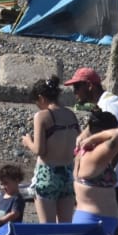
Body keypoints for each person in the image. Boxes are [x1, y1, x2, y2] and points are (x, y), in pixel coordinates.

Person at [63, 67, 118, 235]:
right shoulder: (111, 102)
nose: (75, 92)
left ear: (90, 86)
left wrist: (104, 170)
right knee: (113, 232)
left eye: (77, 87)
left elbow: (116, 144)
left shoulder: (110, 107)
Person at [20, 75, 79, 223]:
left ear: (41, 98)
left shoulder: (43, 116)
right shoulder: (70, 114)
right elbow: (78, 144)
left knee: (47, 227)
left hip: (48, 173)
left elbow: (40, 150)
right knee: (66, 226)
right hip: (67, 173)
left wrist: (28, 142)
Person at [70, 109, 118, 235]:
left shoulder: (85, 149)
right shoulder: (94, 156)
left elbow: (90, 127)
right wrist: (95, 137)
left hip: (95, 219)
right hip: (95, 221)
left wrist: (91, 134)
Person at [0, 164, 26, 229]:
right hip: (0, 228)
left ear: (16, 180)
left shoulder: (17, 198)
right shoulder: (3, 195)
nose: (3, 187)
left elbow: (14, 214)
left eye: (6, 183)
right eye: (1, 184)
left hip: (11, 230)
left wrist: (1, 221)